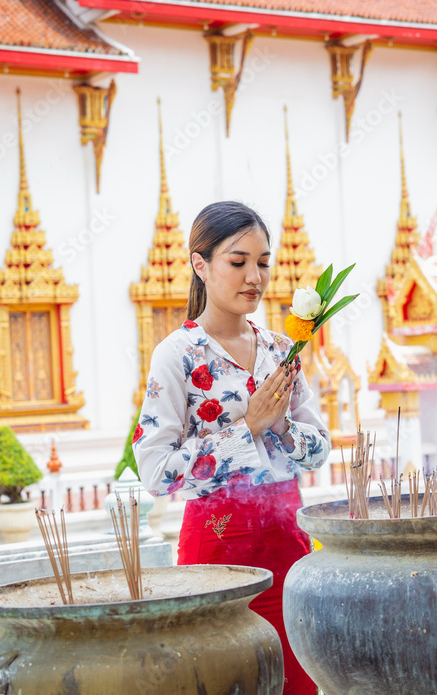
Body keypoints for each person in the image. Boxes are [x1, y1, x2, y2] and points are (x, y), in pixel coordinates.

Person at [134, 200, 330, 694]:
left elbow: (319, 448)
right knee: (223, 683)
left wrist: (281, 428)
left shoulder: (283, 351)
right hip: (217, 548)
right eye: (237, 261)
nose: (254, 277)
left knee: (298, 683)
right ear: (200, 265)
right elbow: (156, 472)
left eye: (263, 262)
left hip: (290, 543)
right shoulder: (176, 355)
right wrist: (248, 430)